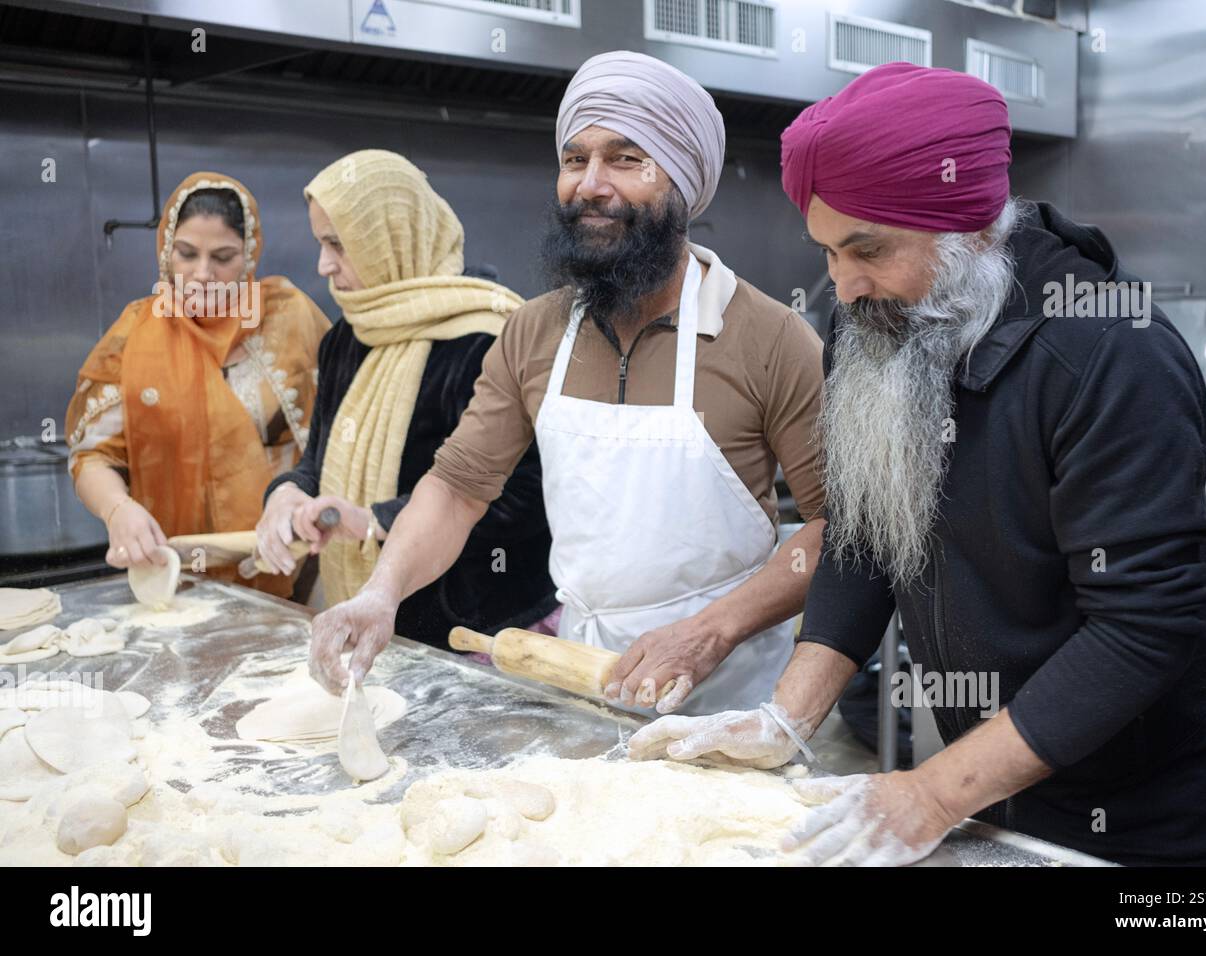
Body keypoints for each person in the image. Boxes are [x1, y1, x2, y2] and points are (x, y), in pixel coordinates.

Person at [631, 63, 1206, 867]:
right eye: (825, 252)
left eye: (868, 249)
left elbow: (1145, 629)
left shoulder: (1109, 351)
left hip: (1140, 822)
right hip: (988, 788)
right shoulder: (876, 322)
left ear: (974, 229)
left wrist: (931, 794)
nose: (844, 287)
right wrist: (784, 717)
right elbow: (864, 534)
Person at [307, 53, 828, 715]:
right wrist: (381, 592)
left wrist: (709, 632)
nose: (591, 185)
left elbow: (835, 532)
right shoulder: (534, 332)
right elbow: (458, 490)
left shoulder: (768, 337)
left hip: (722, 695)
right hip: (580, 679)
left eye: (626, 158)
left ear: (683, 179)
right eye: (576, 159)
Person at [256, 150, 556, 646]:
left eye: (338, 244)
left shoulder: (485, 340)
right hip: (376, 621)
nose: (323, 264)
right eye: (320, 243)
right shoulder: (346, 339)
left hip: (478, 630)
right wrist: (287, 493)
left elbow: (525, 497)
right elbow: (319, 459)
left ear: (389, 240)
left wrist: (376, 519)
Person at [67, 172, 330, 598]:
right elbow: (93, 454)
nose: (202, 274)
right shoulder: (135, 335)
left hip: (293, 574)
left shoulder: (288, 319)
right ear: (166, 251)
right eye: (186, 254)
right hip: (175, 576)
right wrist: (118, 510)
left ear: (249, 255)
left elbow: (339, 436)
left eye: (223, 256)